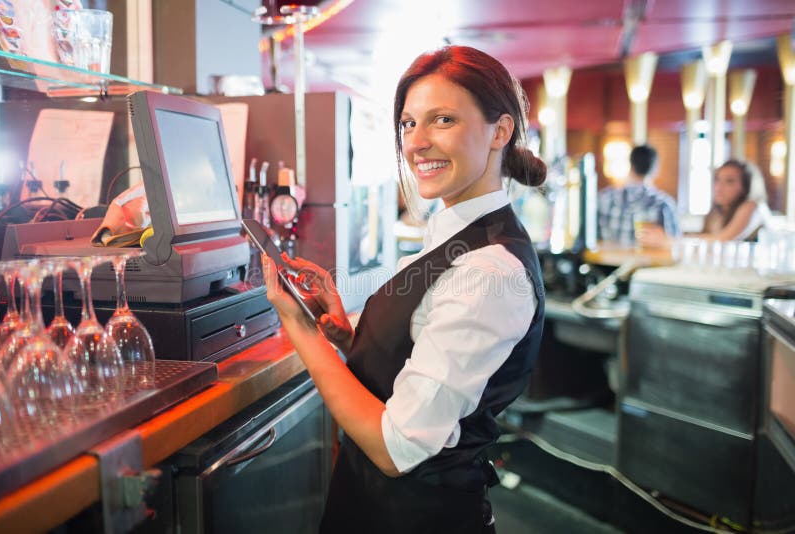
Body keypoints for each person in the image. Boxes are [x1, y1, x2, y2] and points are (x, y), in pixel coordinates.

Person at [261, 45, 547, 533]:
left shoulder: (490, 271)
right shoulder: (452, 238)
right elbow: (419, 367)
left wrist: (301, 333)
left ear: (500, 131)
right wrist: (346, 337)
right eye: (409, 124)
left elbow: (397, 448)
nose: (417, 142)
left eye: (443, 120)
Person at [638, 159, 770, 247]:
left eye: (730, 181)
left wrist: (670, 241)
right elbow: (708, 239)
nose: (719, 187)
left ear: (747, 186)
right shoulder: (718, 212)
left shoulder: (753, 206)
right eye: (717, 180)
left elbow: (724, 241)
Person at [597, 144, 680, 246]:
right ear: (655, 169)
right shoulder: (664, 204)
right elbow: (676, 246)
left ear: (630, 166)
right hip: (647, 262)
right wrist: (666, 241)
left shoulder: (604, 199)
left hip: (605, 261)